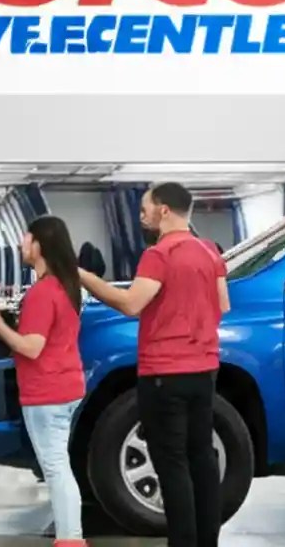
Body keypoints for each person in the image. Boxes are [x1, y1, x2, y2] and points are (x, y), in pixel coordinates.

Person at [78, 182, 231, 547]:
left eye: (146, 208)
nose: (142, 214)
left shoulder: (159, 254)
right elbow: (223, 305)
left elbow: (132, 303)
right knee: (202, 459)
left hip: (165, 373)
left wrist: (82, 276)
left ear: (164, 210)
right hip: (204, 371)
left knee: (172, 464)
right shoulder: (211, 252)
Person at [0, 216, 88, 547]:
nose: (21, 244)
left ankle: (70, 539)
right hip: (66, 385)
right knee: (60, 464)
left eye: (25, 238)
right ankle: (68, 530)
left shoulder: (44, 292)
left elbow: (32, 346)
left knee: (56, 468)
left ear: (39, 244)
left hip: (47, 391)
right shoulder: (65, 286)